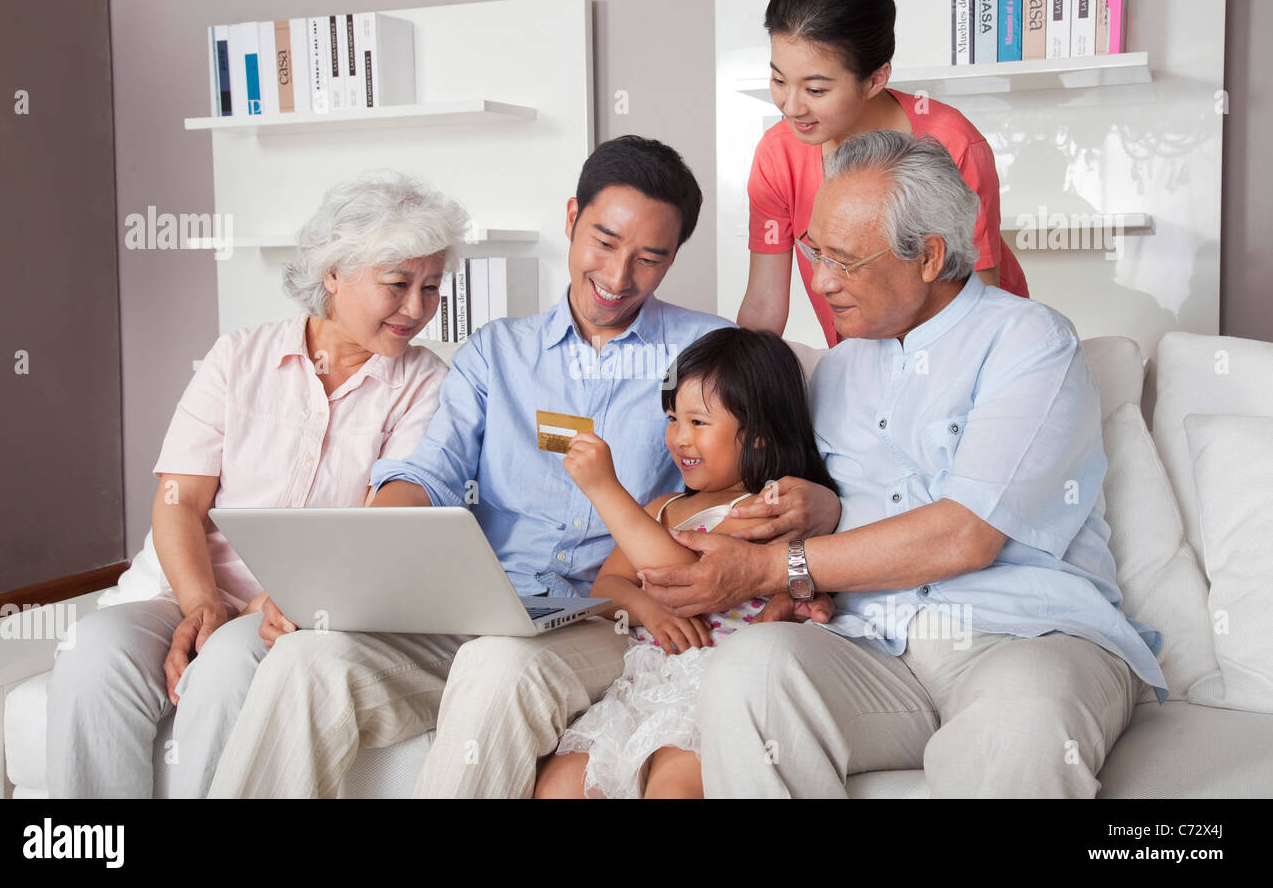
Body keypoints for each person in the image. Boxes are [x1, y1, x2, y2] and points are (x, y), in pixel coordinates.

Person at [207, 136, 843, 799]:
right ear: (571, 218)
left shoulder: (709, 356)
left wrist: (820, 512)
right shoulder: (495, 354)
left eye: (649, 258)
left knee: (500, 664)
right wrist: (339, 580)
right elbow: (430, 473)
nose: (619, 276)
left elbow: (787, 469)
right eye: (603, 242)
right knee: (309, 657)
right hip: (475, 605)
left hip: (606, 623)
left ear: (673, 258)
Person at [642, 130, 1167, 798]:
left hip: (1023, 634)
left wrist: (778, 567)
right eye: (814, 251)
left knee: (1022, 718)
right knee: (749, 669)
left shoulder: (1029, 342)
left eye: (844, 260)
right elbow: (826, 517)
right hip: (874, 645)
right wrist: (811, 550)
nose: (821, 281)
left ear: (930, 258)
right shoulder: (838, 370)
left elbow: (965, 533)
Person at [48, 171, 463, 798]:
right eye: (398, 284)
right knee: (93, 651)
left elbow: (387, 523)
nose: (417, 309)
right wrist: (200, 604)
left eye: (431, 287)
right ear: (333, 273)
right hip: (190, 587)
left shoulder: (425, 384)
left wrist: (281, 600)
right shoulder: (237, 357)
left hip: (300, 610)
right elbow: (178, 501)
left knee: (226, 667)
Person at [534, 328, 837, 799]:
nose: (679, 437)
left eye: (699, 422)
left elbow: (687, 578)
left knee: (672, 788)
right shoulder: (663, 507)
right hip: (642, 682)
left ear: (757, 435)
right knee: (559, 786)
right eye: (674, 419)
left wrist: (603, 489)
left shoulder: (770, 504)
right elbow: (608, 585)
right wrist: (649, 611)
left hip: (713, 689)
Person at [737, 0, 1029, 348]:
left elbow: (979, 304)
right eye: (778, 79)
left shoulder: (954, 143)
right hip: (861, 356)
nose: (791, 106)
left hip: (968, 348)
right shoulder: (777, 154)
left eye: (816, 89)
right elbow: (763, 306)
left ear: (876, 78)